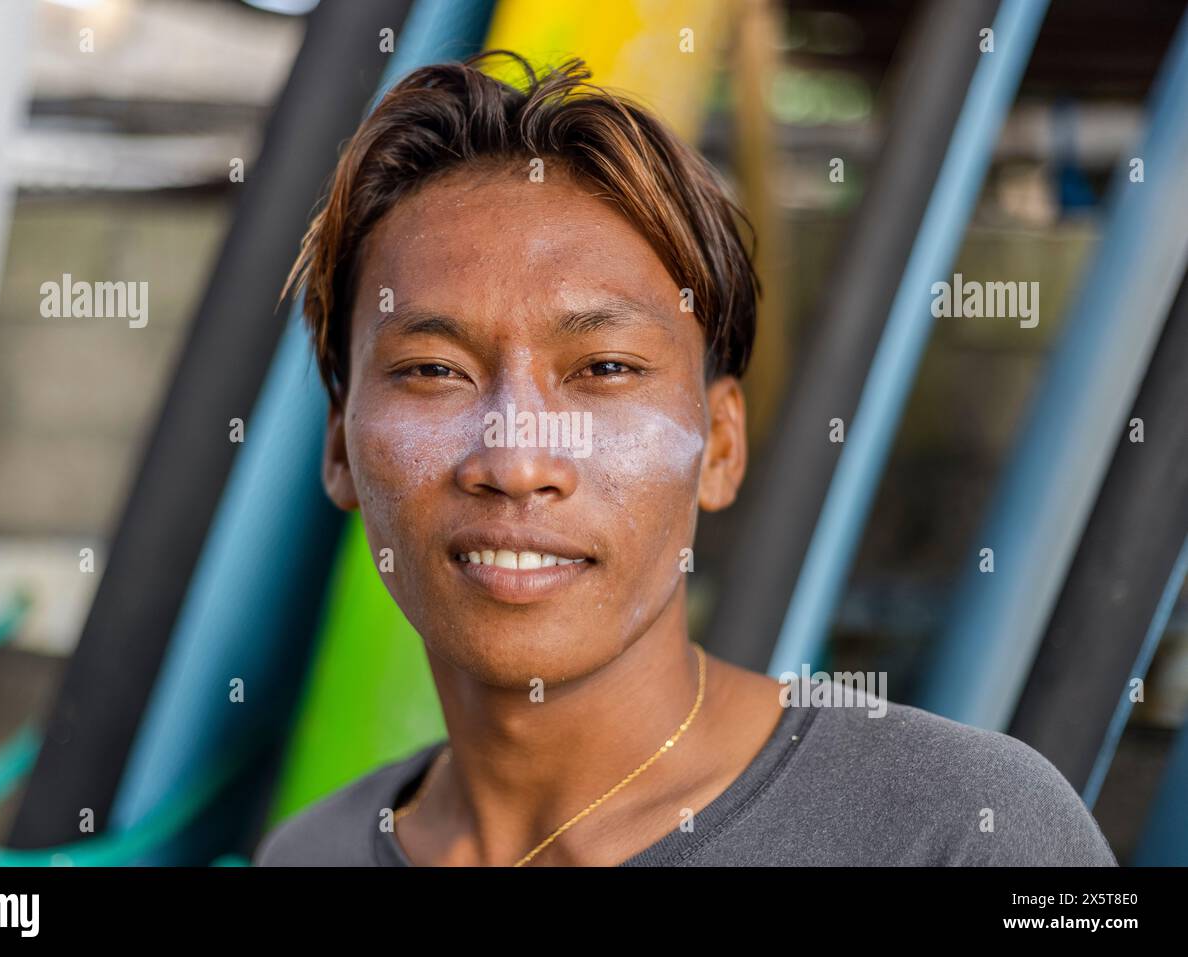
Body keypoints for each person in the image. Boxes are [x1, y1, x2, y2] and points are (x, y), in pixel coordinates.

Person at [254, 51, 1116, 867]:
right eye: (435, 371)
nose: (517, 460)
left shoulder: (967, 829)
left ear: (722, 446)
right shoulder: (310, 853)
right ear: (339, 445)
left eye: (603, 370)